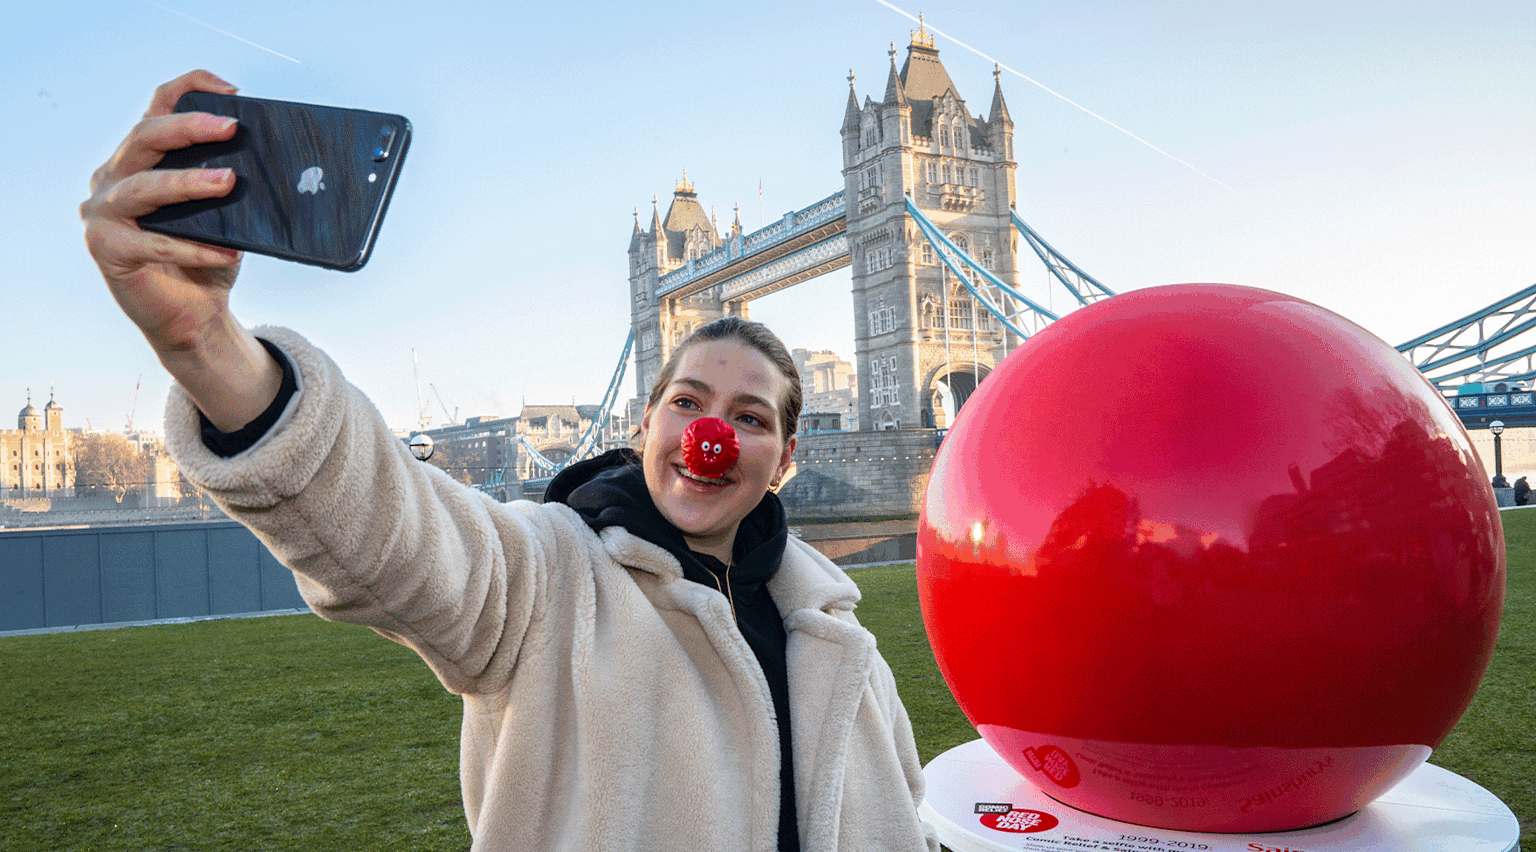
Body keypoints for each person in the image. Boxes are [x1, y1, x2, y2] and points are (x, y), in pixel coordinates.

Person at [79, 70, 938, 852]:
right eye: (686, 403)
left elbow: (903, 809)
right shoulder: (544, 581)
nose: (708, 435)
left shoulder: (842, 637)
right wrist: (208, 347)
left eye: (747, 418)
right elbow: (396, 533)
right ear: (645, 424)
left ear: (786, 459)